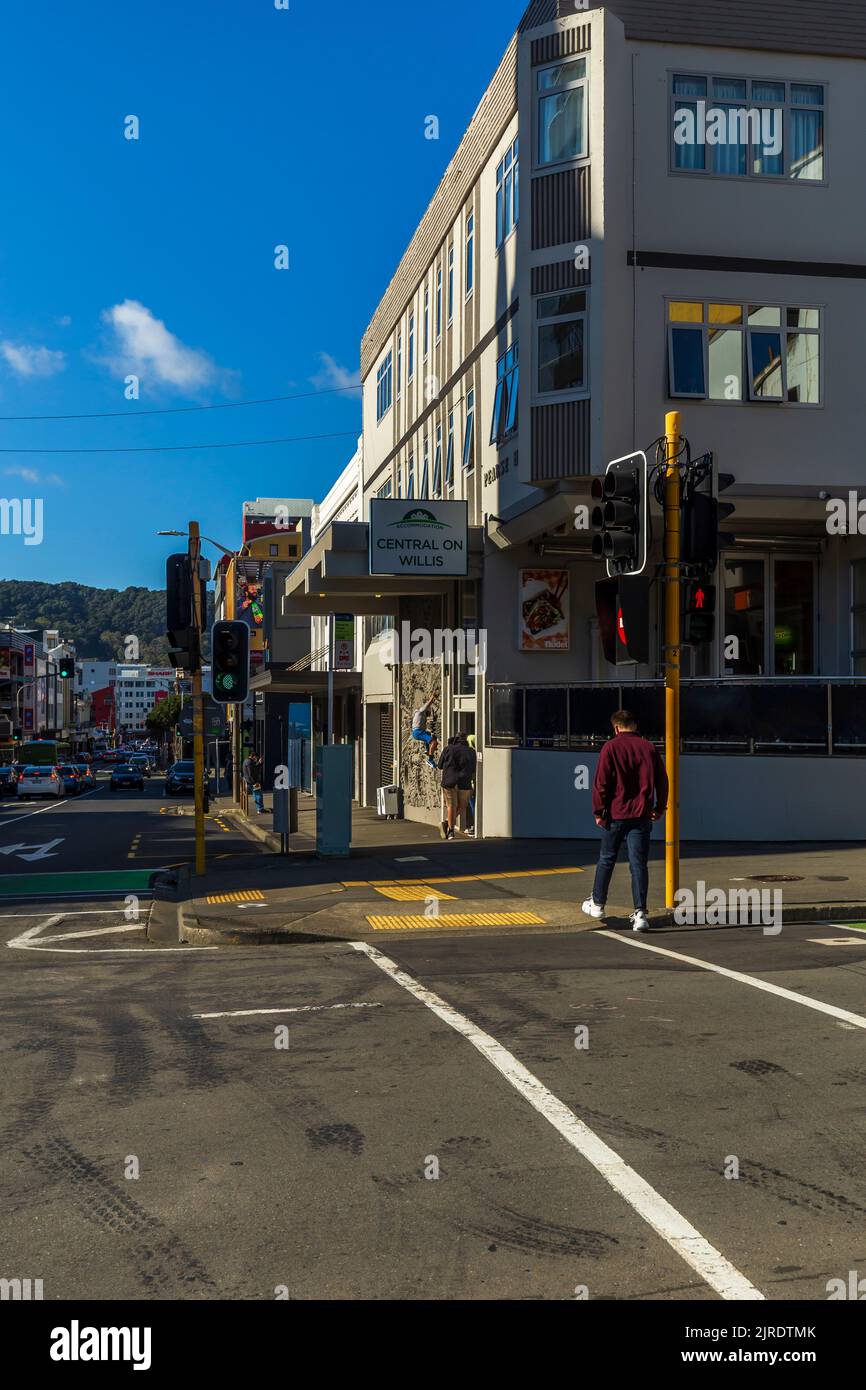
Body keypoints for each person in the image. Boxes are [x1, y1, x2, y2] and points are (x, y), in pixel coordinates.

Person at [582, 709, 668, 932]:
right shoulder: (649, 747)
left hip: (615, 814)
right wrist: (659, 808)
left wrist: (599, 812)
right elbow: (662, 780)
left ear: (616, 727)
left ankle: (598, 903)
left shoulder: (610, 747)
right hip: (641, 815)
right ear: (635, 724)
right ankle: (641, 913)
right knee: (638, 864)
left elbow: (601, 783)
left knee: (607, 858)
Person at [437, 732, 477, 840]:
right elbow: (473, 769)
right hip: (464, 781)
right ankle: (446, 823)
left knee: (451, 806)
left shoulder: (448, 749)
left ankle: (450, 831)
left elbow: (440, 765)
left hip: (449, 781)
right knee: (462, 806)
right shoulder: (471, 751)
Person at [411, 696, 439, 768]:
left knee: (428, 734)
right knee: (434, 742)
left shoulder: (418, 715)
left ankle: (427, 749)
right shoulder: (421, 711)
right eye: (428, 712)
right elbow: (428, 703)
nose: (429, 714)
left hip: (416, 732)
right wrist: (433, 697)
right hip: (418, 732)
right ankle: (430, 760)